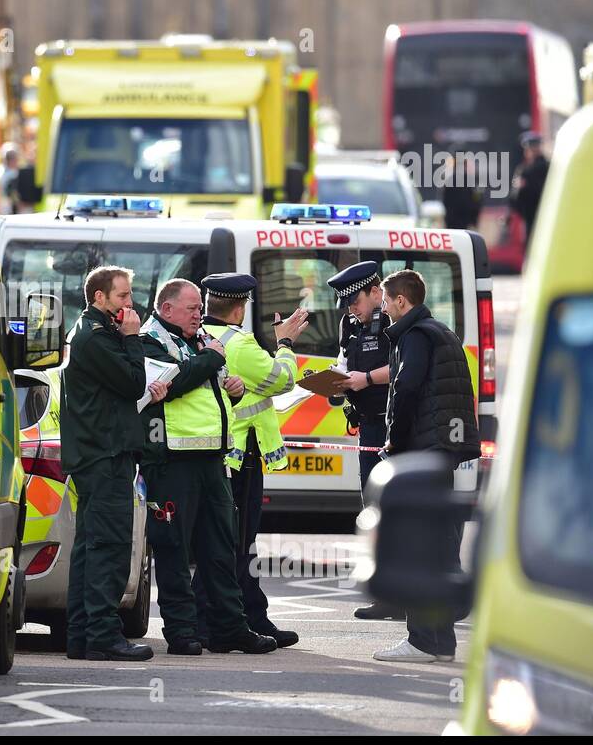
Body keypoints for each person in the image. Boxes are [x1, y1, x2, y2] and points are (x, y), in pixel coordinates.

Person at [138, 280, 278, 656]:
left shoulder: (199, 339)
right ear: (167, 310)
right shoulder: (151, 339)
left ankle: (231, 629)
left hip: (213, 459)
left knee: (221, 548)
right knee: (174, 550)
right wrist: (212, 360)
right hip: (172, 462)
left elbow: (207, 388)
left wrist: (232, 390)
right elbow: (174, 382)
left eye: (200, 307)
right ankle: (182, 632)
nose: (199, 314)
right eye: (191, 308)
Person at [59, 265, 165, 662]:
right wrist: (133, 338)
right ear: (100, 298)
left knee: (90, 547)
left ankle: (84, 636)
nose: (130, 304)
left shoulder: (95, 332)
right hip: (103, 456)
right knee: (109, 546)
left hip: (99, 454)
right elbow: (133, 381)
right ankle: (103, 636)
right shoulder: (98, 337)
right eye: (122, 296)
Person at [374, 269, 479, 664]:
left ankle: (422, 641)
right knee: (435, 546)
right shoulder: (440, 331)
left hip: (420, 452)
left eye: (386, 302)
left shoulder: (414, 336)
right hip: (440, 451)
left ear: (402, 301)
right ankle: (439, 642)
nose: (383, 310)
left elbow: (407, 388)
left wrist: (395, 442)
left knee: (416, 545)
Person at [198, 273, 308, 648]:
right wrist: (286, 343)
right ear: (239, 308)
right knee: (239, 542)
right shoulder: (239, 343)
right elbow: (283, 379)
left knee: (232, 542)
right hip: (241, 457)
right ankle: (235, 621)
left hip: (225, 454)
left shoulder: (206, 336)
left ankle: (244, 616)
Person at [326, 261, 404, 621]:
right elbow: (344, 362)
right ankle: (386, 594)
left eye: (355, 301)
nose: (351, 310)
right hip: (368, 427)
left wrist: (366, 380)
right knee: (374, 509)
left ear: (376, 292)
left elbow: (404, 366)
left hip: (396, 428)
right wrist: (334, 384)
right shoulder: (350, 325)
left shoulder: (395, 321)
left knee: (399, 511)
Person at [512, 131, 549, 244]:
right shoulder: (524, 168)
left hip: (540, 215)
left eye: (533, 147)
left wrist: (524, 187)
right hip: (530, 216)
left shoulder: (543, 167)